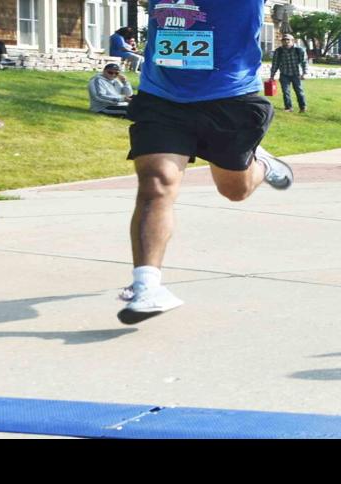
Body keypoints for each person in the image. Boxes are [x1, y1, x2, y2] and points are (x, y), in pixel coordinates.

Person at [116, 0, 293, 324]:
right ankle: (146, 286)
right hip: (163, 99)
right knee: (156, 183)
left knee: (234, 191)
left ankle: (261, 165)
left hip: (230, 98)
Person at [269, 32, 307, 114]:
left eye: (288, 40)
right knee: (286, 92)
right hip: (284, 74)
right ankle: (288, 107)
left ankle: (303, 107)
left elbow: (304, 62)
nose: (286, 41)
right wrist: (272, 76)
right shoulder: (278, 51)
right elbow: (275, 64)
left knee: (299, 91)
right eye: (284, 40)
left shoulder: (299, 50)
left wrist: (305, 73)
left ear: (292, 41)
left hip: (296, 74)